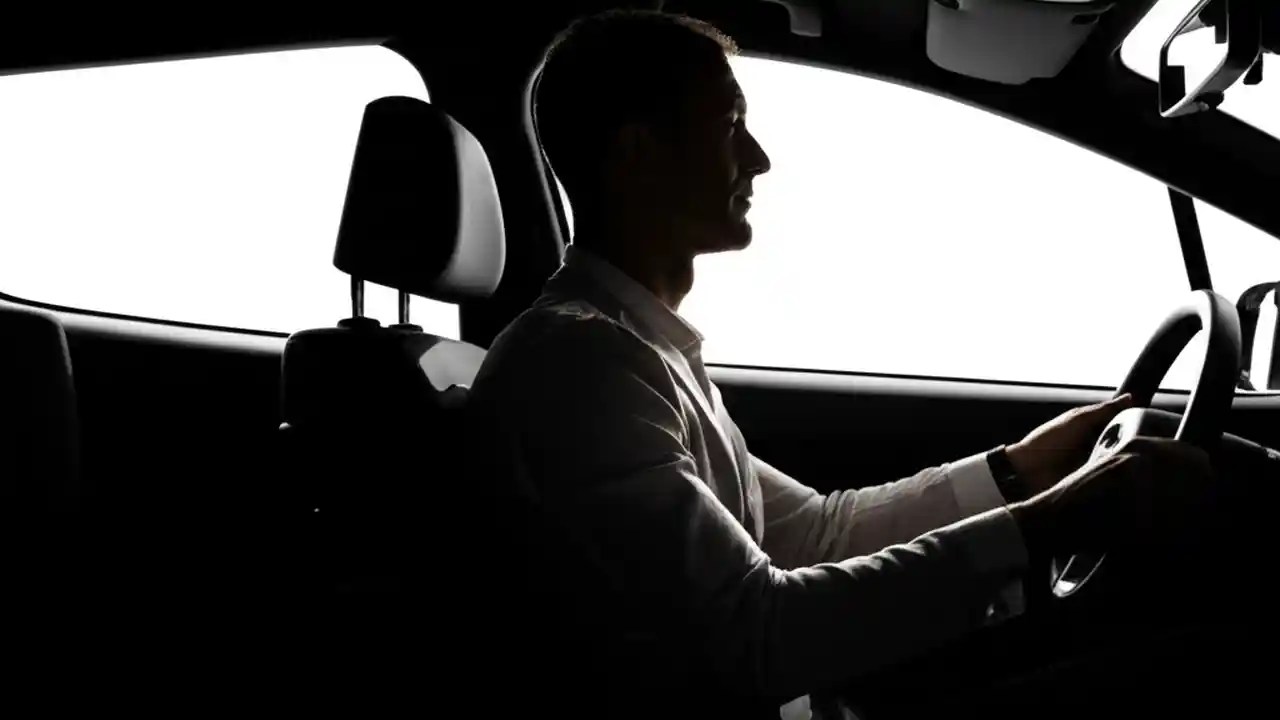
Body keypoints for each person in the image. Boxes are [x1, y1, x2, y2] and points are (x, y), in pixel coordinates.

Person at [465, 9, 1214, 720]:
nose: (757, 158)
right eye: (730, 125)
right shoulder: (578, 367)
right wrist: (1058, 519)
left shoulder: (634, 349)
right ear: (636, 154)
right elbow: (758, 634)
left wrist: (1021, 468)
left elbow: (815, 534)